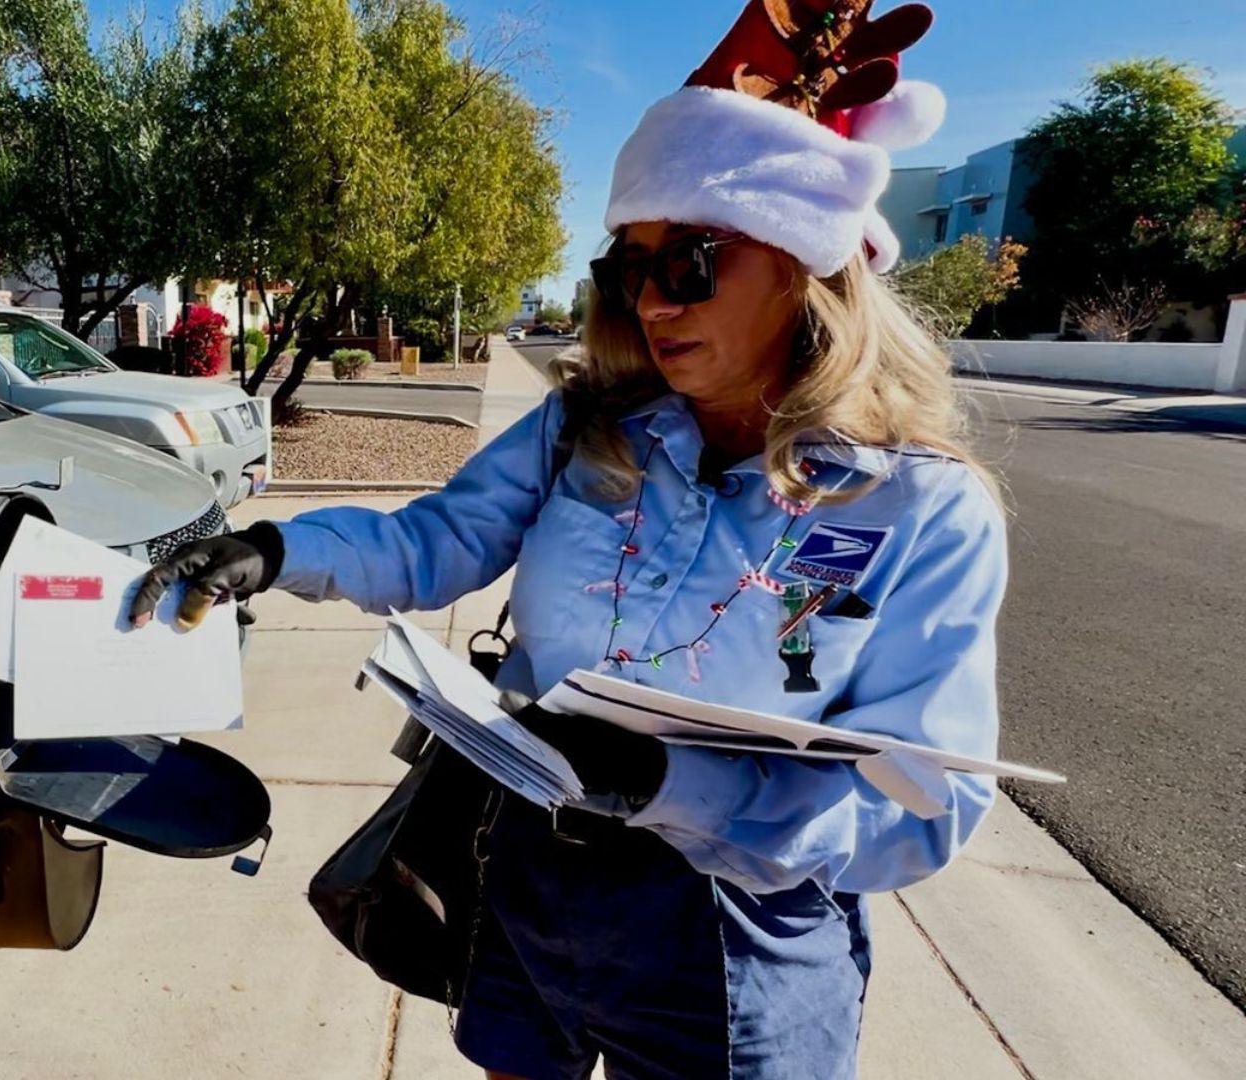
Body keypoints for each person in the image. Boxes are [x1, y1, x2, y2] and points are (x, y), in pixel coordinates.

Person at [132, 3, 995, 1077]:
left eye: (690, 261)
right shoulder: (585, 431)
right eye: (627, 266)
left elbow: (928, 807)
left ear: (805, 261)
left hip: (728, 934)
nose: (651, 301)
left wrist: (669, 781)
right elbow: (438, 542)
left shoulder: (921, 509)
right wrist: (275, 549)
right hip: (526, 878)